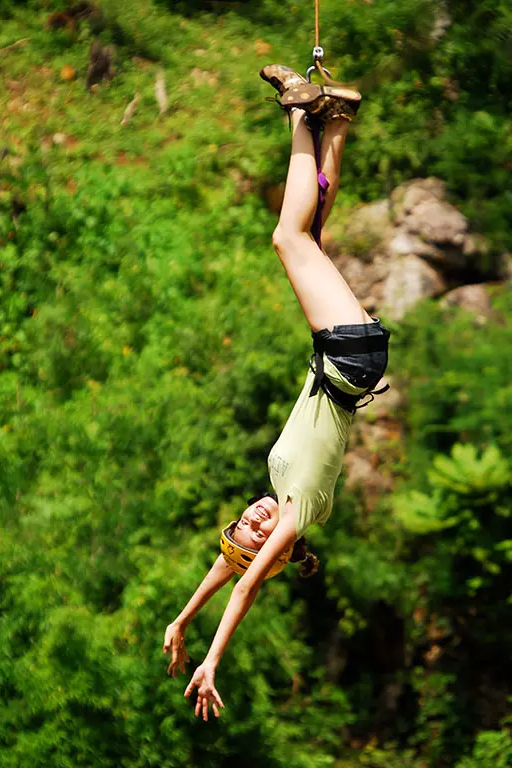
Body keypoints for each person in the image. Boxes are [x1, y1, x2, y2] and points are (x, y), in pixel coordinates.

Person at [162, 65, 390, 721]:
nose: (257, 522)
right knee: (286, 237)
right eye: (258, 536)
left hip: (345, 358)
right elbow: (244, 589)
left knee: (310, 237)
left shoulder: (279, 489)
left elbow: (224, 572)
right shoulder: (299, 515)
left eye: (244, 523)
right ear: (278, 550)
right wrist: (212, 658)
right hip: (349, 359)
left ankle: (335, 121)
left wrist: (182, 618)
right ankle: (299, 110)